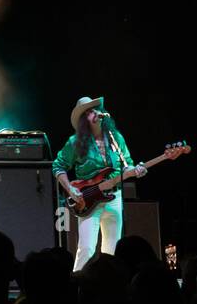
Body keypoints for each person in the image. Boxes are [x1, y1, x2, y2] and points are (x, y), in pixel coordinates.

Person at [52, 97, 147, 272]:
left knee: (112, 251)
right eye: (89, 112)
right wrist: (70, 189)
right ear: (83, 120)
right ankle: (75, 283)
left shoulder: (115, 138)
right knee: (87, 249)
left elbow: (127, 164)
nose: (95, 113)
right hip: (88, 199)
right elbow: (58, 166)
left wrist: (136, 170)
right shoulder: (75, 142)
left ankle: (108, 285)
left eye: (96, 109)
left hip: (114, 197)